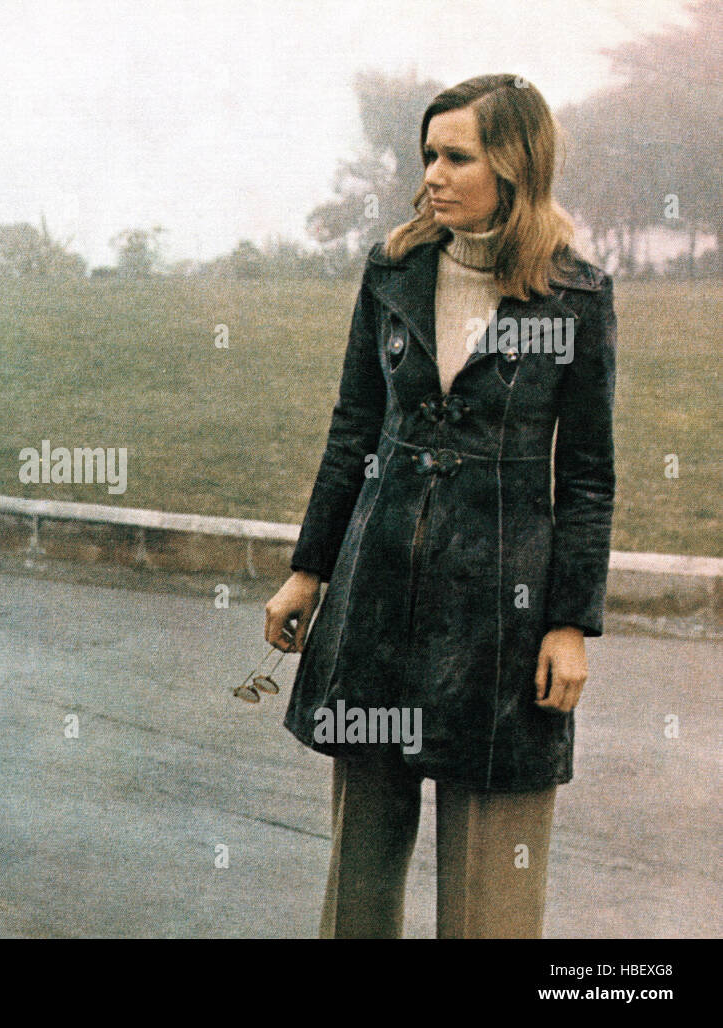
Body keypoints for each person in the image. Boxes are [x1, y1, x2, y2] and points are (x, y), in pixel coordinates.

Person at [263, 74, 616, 938]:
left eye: (457, 156)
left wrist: (569, 623)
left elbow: (589, 475)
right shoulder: (393, 272)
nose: (432, 173)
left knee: (491, 905)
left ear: (515, 164)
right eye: (428, 154)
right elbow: (353, 431)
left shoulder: (575, 295)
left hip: (505, 620)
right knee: (359, 887)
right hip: (377, 596)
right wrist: (309, 572)